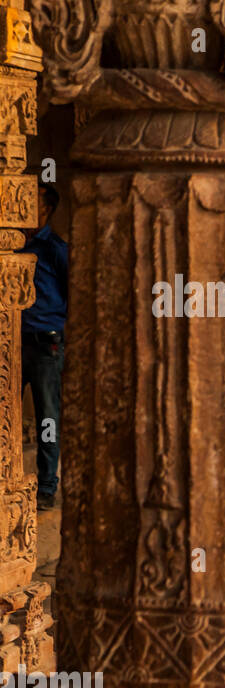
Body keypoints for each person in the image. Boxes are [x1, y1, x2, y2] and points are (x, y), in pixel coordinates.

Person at [20, 183, 68, 511]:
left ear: (45, 209)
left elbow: (73, 289)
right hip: (12, 342)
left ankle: (47, 485)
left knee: (47, 417)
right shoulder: (15, 243)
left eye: (30, 202)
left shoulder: (54, 248)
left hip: (45, 344)